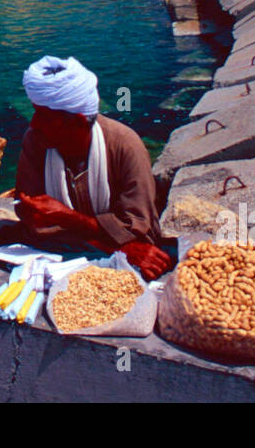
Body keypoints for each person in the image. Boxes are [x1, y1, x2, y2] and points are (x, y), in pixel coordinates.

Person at [12, 55, 173, 281]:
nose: (33, 123)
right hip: (75, 250)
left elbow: (134, 229)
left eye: (44, 116)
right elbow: (33, 216)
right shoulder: (35, 140)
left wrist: (66, 218)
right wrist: (114, 246)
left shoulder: (125, 144)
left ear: (78, 122)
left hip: (87, 247)